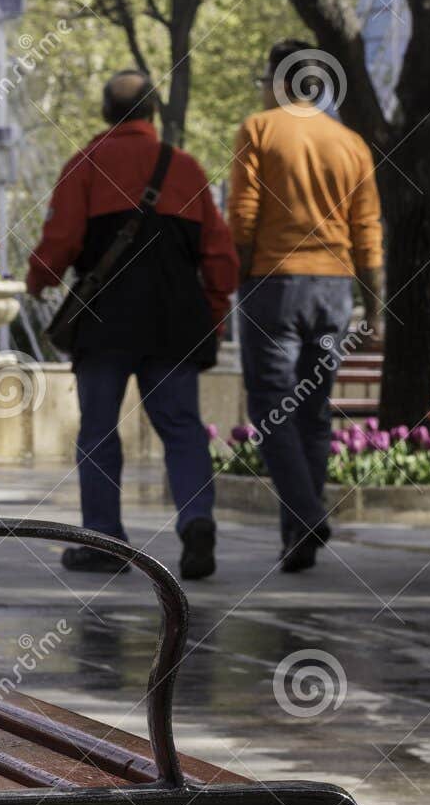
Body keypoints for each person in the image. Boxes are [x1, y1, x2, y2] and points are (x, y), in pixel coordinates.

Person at [27, 70, 237, 581]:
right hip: (174, 320)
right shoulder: (185, 168)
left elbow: (60, 242)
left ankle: (105, 541)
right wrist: (213, 312)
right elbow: (220, 255)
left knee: (99, 430)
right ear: (152, 111)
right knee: (182, 428)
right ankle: (196, 519)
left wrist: (38, 280)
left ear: (105, 111)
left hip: (106, 321)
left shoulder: (85, 165)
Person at [229, 39, 385, 572]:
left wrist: (238, 279)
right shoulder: (351, 144)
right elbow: (367, 233)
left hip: (273, 286)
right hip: (334, 292)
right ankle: (298, 540)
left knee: (272, 408)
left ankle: (308, 514)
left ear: (279, 81)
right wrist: (375, 308)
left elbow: (243, 217)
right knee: (314, 413)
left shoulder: (259, 130)